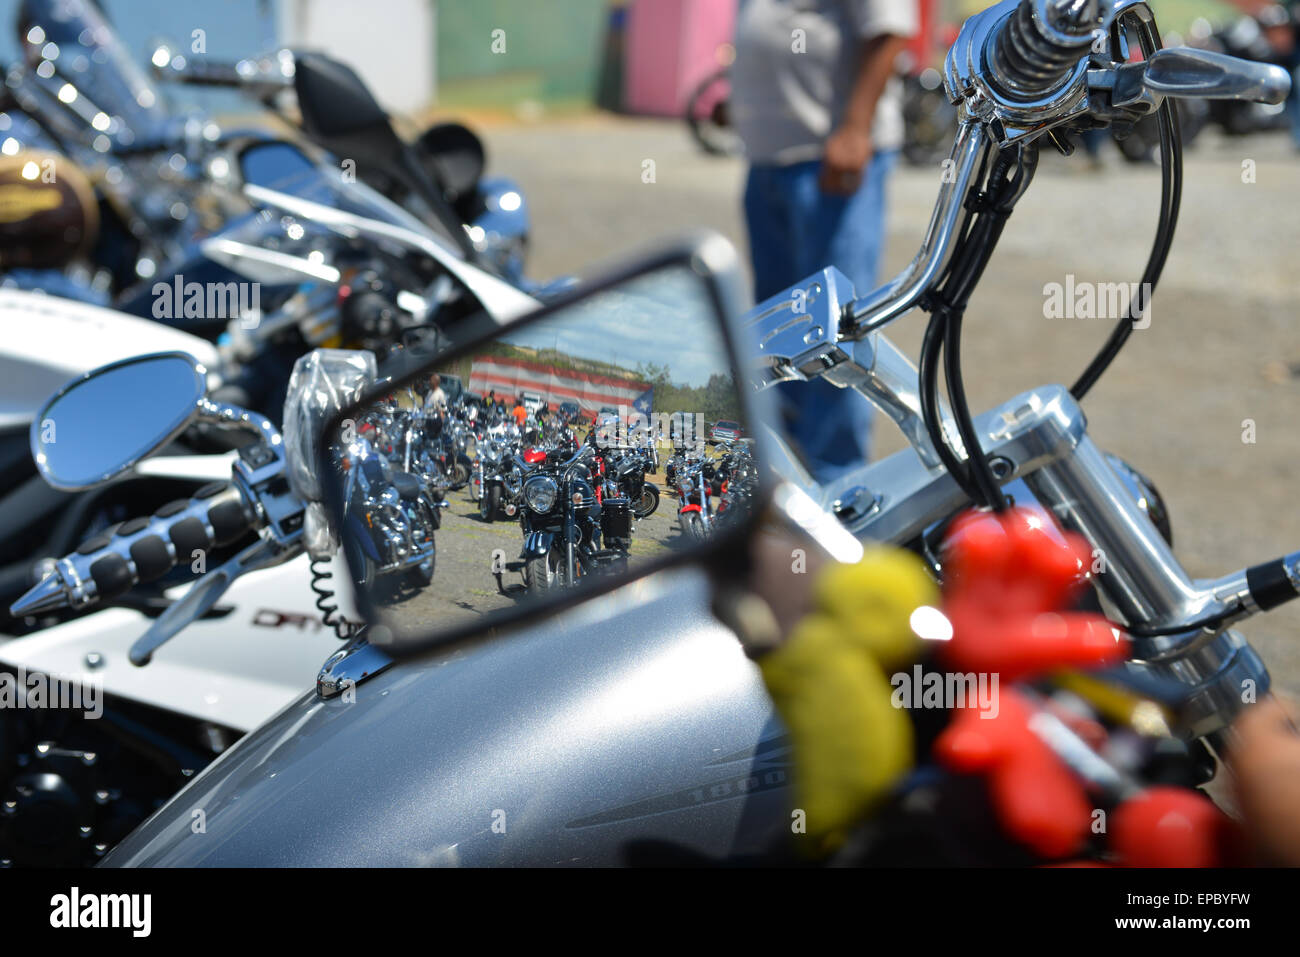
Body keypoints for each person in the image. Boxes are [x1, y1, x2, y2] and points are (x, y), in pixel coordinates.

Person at [731, 0, 917, 484]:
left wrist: (855, 129)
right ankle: (785, 468)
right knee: (776, 321)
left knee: (835, 325)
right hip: (770, 159)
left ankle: (839, 477)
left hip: (830, 161)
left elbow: (888, 31)